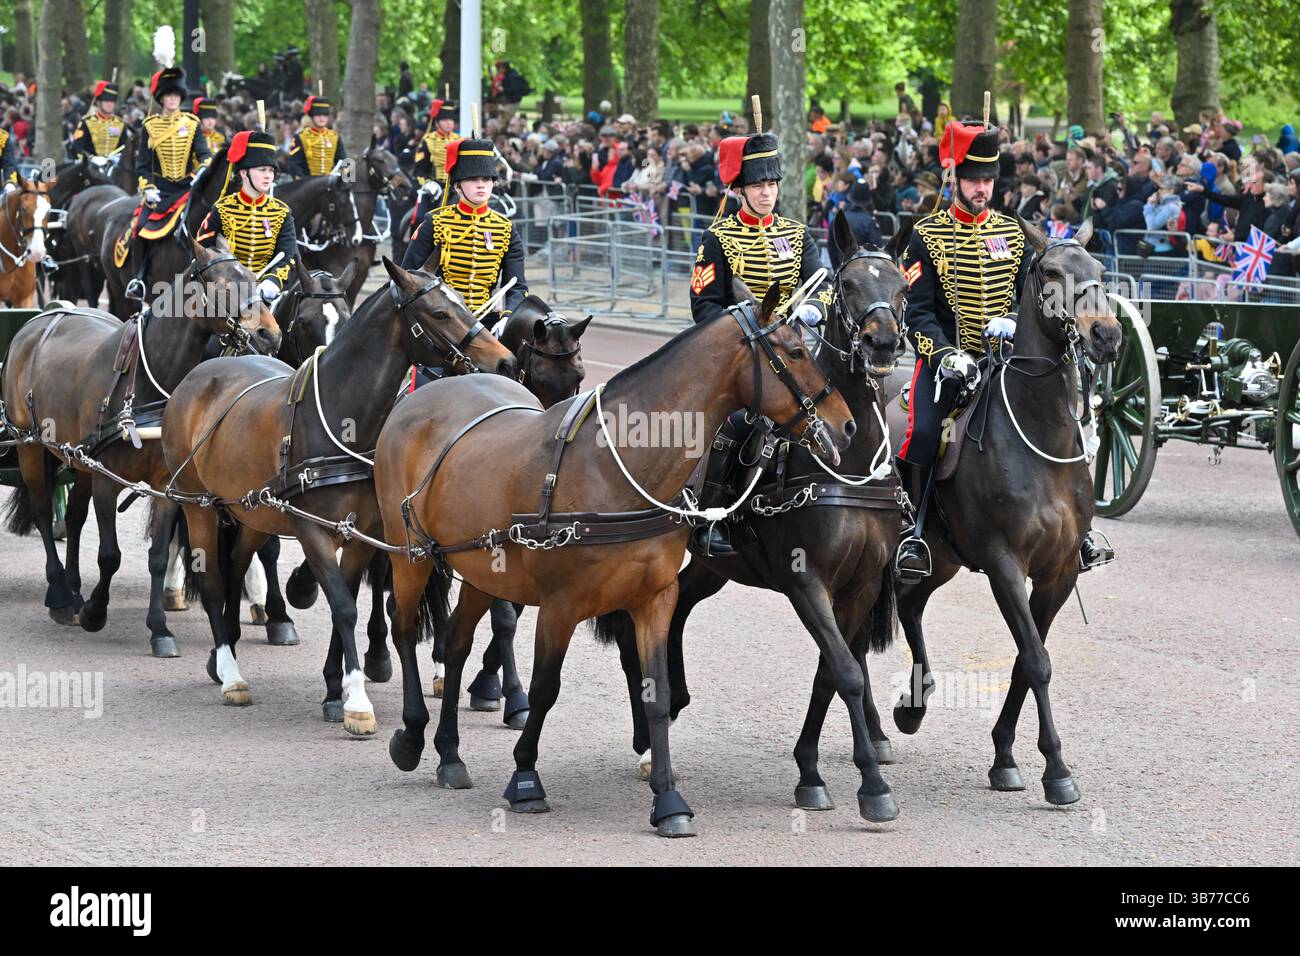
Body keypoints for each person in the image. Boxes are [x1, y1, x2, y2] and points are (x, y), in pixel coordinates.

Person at [894, 121, 1107, 577]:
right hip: (951, 364)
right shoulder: (926, 236)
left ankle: (1080, 532)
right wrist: (946, 354)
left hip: (1011, 360)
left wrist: (1011, 320)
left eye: (988, 180)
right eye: (973, 179)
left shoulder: (1014, 234)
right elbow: (918, 313)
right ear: (956, 180)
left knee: (1065, 423)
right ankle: (913, 534)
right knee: (925, 432)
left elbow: (1028, 296)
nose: (981, 188)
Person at [687, 129, 835, 557]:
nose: (767, 193)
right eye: (757, 185)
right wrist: (744, 337)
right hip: (742, 358)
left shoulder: (797, 232)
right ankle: (709, 518)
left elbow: (820, 283)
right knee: (728, 427)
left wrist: (816, 310)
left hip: (794, 353)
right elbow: (705, 304)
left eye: (771, 185)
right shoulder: (719, 238)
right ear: (739, 191)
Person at [402, 136, 527, 317]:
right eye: (473, 179)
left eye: (487, 179)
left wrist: (508, 317)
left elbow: (517, 286)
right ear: (458, 186)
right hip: (441, 321)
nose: (481, 184)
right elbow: (408, 277)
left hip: (486, 321)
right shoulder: (435, 222)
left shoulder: (505, 228)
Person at [127, 65, 212, 300]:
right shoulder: (149, 126)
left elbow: (204, 155)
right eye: (168, 95)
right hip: (160, 191)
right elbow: (143, 165)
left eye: (176, 95)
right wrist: (147, 188)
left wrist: (202, 170)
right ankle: (139, 278)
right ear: (161, 98)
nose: (173, 99)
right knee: (139, 228)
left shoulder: (193, 123)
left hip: (187, 189)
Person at [195, 129, 298, 302]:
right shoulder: (221, 209)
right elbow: (202, 252)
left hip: (266, 295)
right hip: (226, 296)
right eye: (262, 170)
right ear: (244, 173)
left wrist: (273, 280)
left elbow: (288, 255)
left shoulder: (282, 213)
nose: (268, 176)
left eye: (271, 171)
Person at [287, 96, 346, 177]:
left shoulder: (335, 137)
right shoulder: (300, 137)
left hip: (330, 183)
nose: (322, 118)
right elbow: (294, 164)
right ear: (312, 116)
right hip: (307, 184)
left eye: (325, 115)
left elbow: (342, 160)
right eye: (318, 115)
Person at [69, 80, 129, 160]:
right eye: (106, 101)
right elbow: (76, 148)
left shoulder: (120, 123)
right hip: (91, 165)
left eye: (112, 101)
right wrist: (91, 158)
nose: (109, 104)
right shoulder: (86, 122)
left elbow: (124, 147)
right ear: (98, 102)